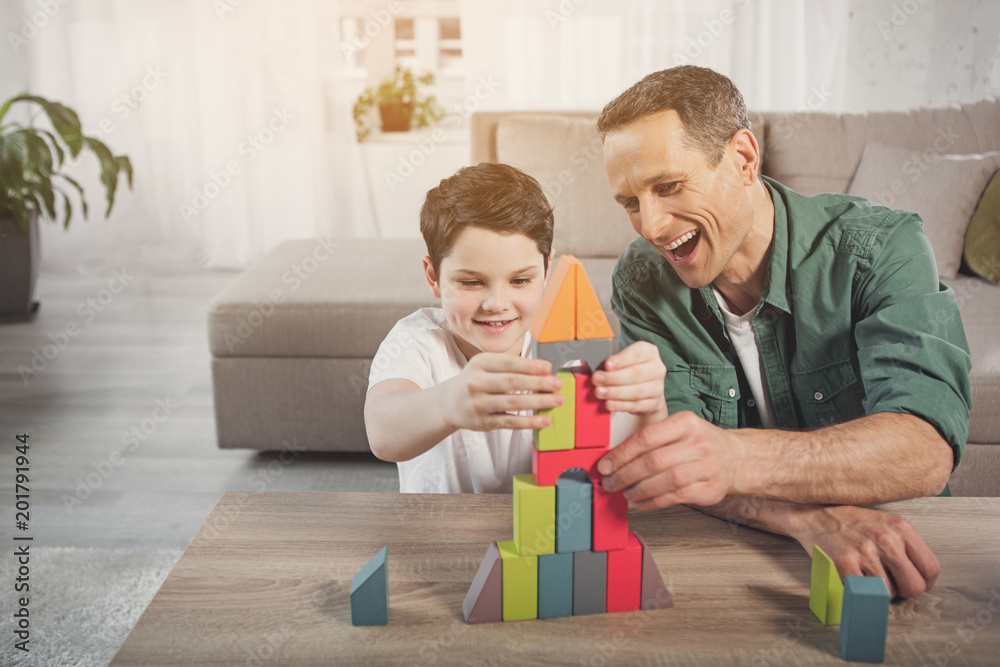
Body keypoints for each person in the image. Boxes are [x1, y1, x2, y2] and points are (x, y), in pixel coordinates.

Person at [590, 66, 973, 599]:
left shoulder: (883, 248)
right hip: (741, 554)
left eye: (669, 186)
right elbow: (687, 462)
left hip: (909, 550)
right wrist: (809, 521)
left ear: (744, 159)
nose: (651, 226)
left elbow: (924, 448)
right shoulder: (641, 279)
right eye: (631, 203)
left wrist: (734, 458)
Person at [365, 163, 668, 494]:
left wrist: (649, 403)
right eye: (470, 282)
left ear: (546, 269)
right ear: (433, 277)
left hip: (540, 539)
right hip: (442, 536)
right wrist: (448, 403)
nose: (497, 303)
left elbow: (615, 458)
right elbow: (382, 432)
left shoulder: (566, 346)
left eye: (520, 280)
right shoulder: (417, 341)